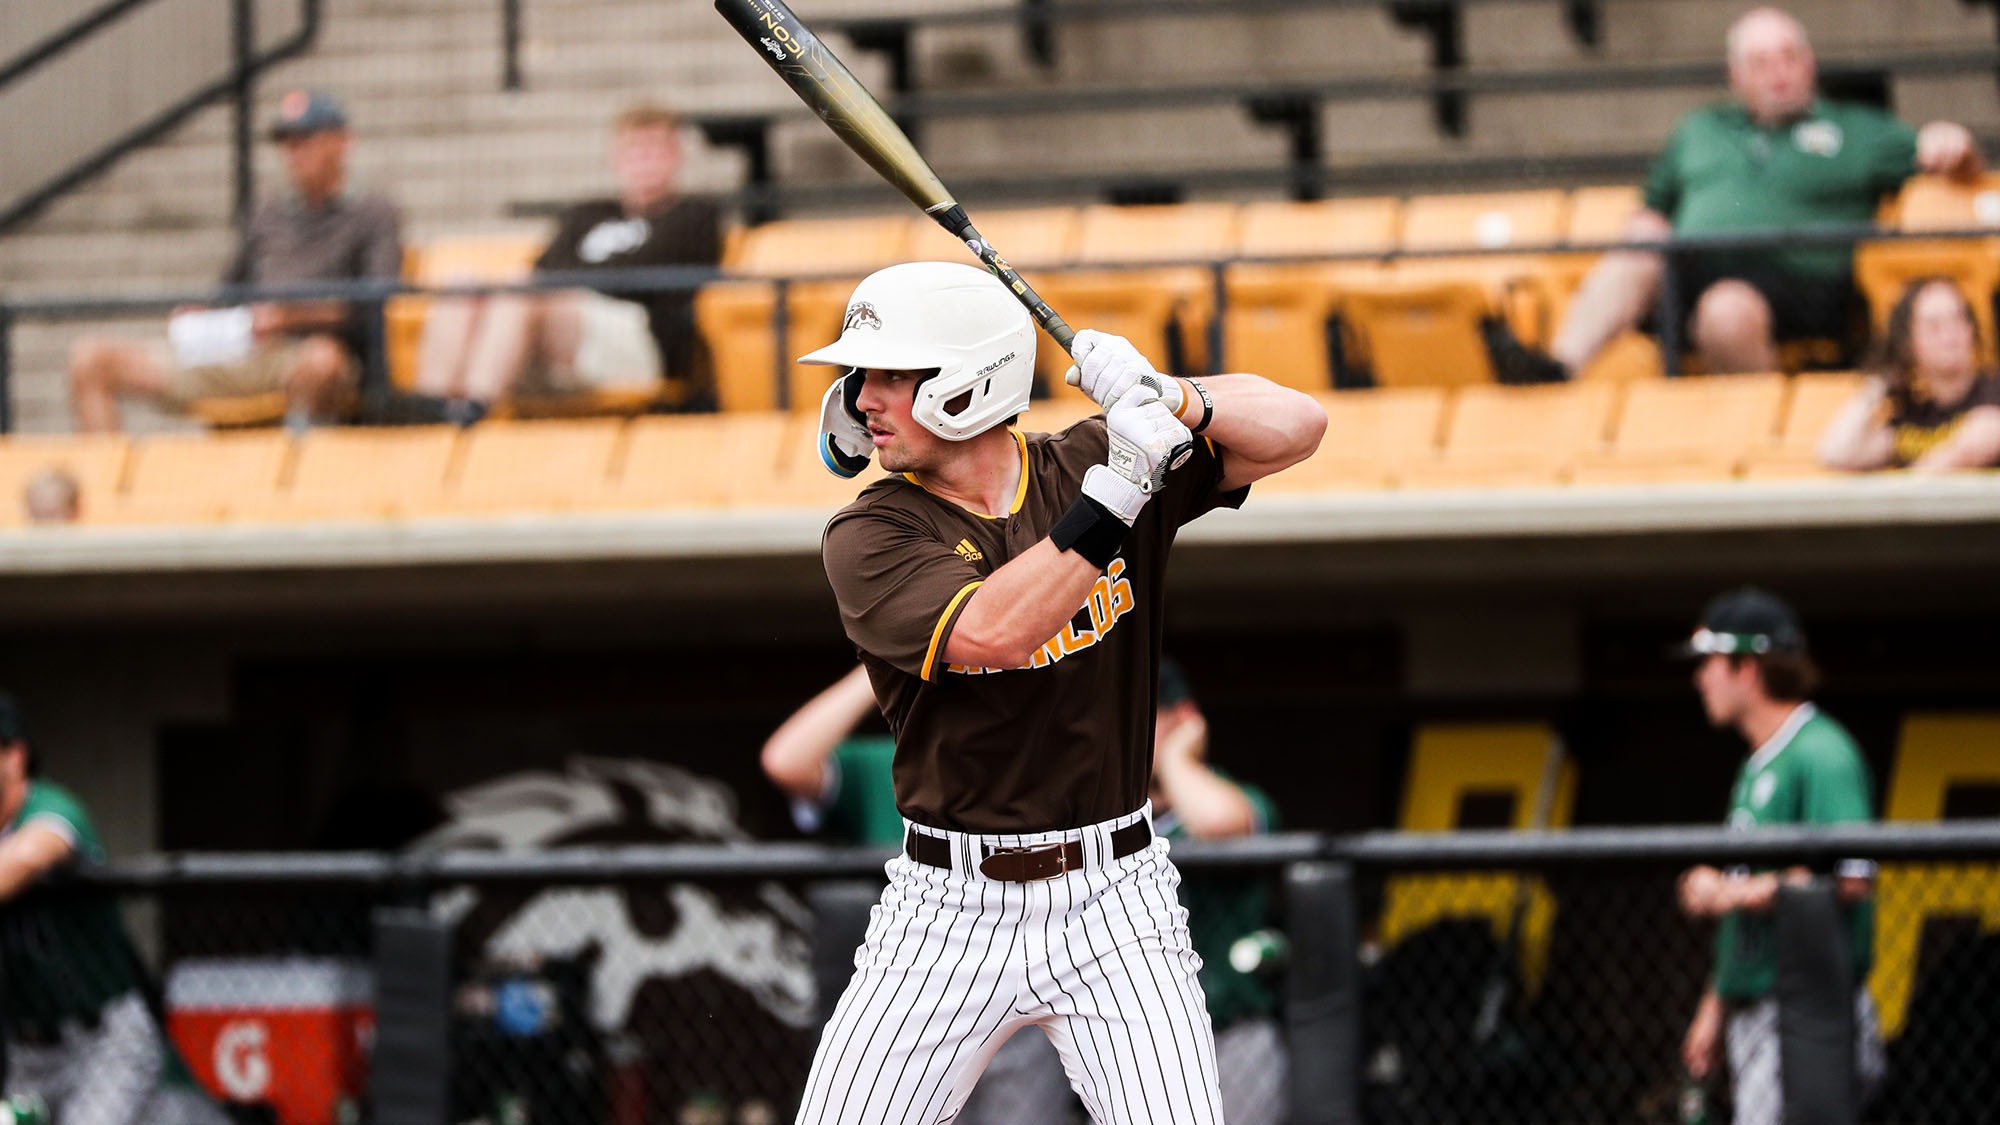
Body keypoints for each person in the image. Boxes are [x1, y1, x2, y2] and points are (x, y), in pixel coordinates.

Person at [793, 258, 1325, 1124]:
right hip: (948, 904)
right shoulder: (872, 530)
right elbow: (998, 630)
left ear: (967, 380)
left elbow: (1299, 425)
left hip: (1116, 895)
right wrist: (1120, 491)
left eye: (891, 374)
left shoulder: (1086, 458)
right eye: (862, 376)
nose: (863, 399)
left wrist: (1173, 394)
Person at [762, 658, 1287, 1125]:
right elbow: (787, 760)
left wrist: (1176, 754)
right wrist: (894, 658)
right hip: (936, 974)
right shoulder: (912, 766)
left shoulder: (1156, 790)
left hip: (1196, 1023)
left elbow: (1221, 822)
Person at [1546, 7, 1983, 378]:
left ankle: (1762, 431)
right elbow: (1653, 209)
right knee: (1635, 252)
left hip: (1798, 278)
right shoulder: (1700, 128)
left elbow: (1956, 163)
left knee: (1726, 310)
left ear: (1810, 63)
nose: (1778, 73)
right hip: (1693, 267)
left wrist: (1955, 146)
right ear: (1735, 75)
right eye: (1760, 62)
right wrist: (1645, 236)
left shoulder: (1856, 131)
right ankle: (1554, 373)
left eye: (1789, 57)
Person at [68, 89, 404, 433]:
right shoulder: (268, 212)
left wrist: (288, 318)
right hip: (242, 349)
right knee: (91, 359)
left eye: (306, 140)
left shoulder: (373, 211)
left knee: (322, 360)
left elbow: (374, 302)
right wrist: (201, 315)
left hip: (306, 353)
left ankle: (299, 458)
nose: (294, 152)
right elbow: (229, 292)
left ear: (342, 141)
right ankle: (103, 467)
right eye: (288, 142)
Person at [1672, 587, 1884, 1125]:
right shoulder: (1759, 764)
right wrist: (1715, 1007)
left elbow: (1850, 878)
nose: (1700, 679)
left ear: (1747, 668)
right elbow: (1749, 904)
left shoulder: (1821, 752)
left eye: (1710, 664)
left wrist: (1727, 893)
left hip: (1809, 1012)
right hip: (1760, 1008)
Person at [411, 102, 723, 422]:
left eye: (654, 152)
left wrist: (574, 280)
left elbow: (637, 277)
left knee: (523, 288)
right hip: (565, 330)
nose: (644, 162)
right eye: (635, 152)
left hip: (635, 339)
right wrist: (580, 280)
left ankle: (473, 408)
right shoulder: (587, 213)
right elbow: (547, 267)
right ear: (616, 158)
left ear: (675, 156)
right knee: (463, 284)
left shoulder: (695, 216)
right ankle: (432, 404)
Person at [0, 694, 229, 1124]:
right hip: (27, 1053)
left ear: (15, 756)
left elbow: (31, 854)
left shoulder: (49, 806)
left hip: (103, 1039)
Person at [1817, 276, 2000, 471]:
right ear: (1908, 343)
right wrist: (1880, 383)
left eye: (1959, 318)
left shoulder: (1993, 391)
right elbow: (1835, 452)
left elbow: (1983, 437)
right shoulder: (1912, 419)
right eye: (1934, 325)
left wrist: (1911, 484)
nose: (1950, 334)